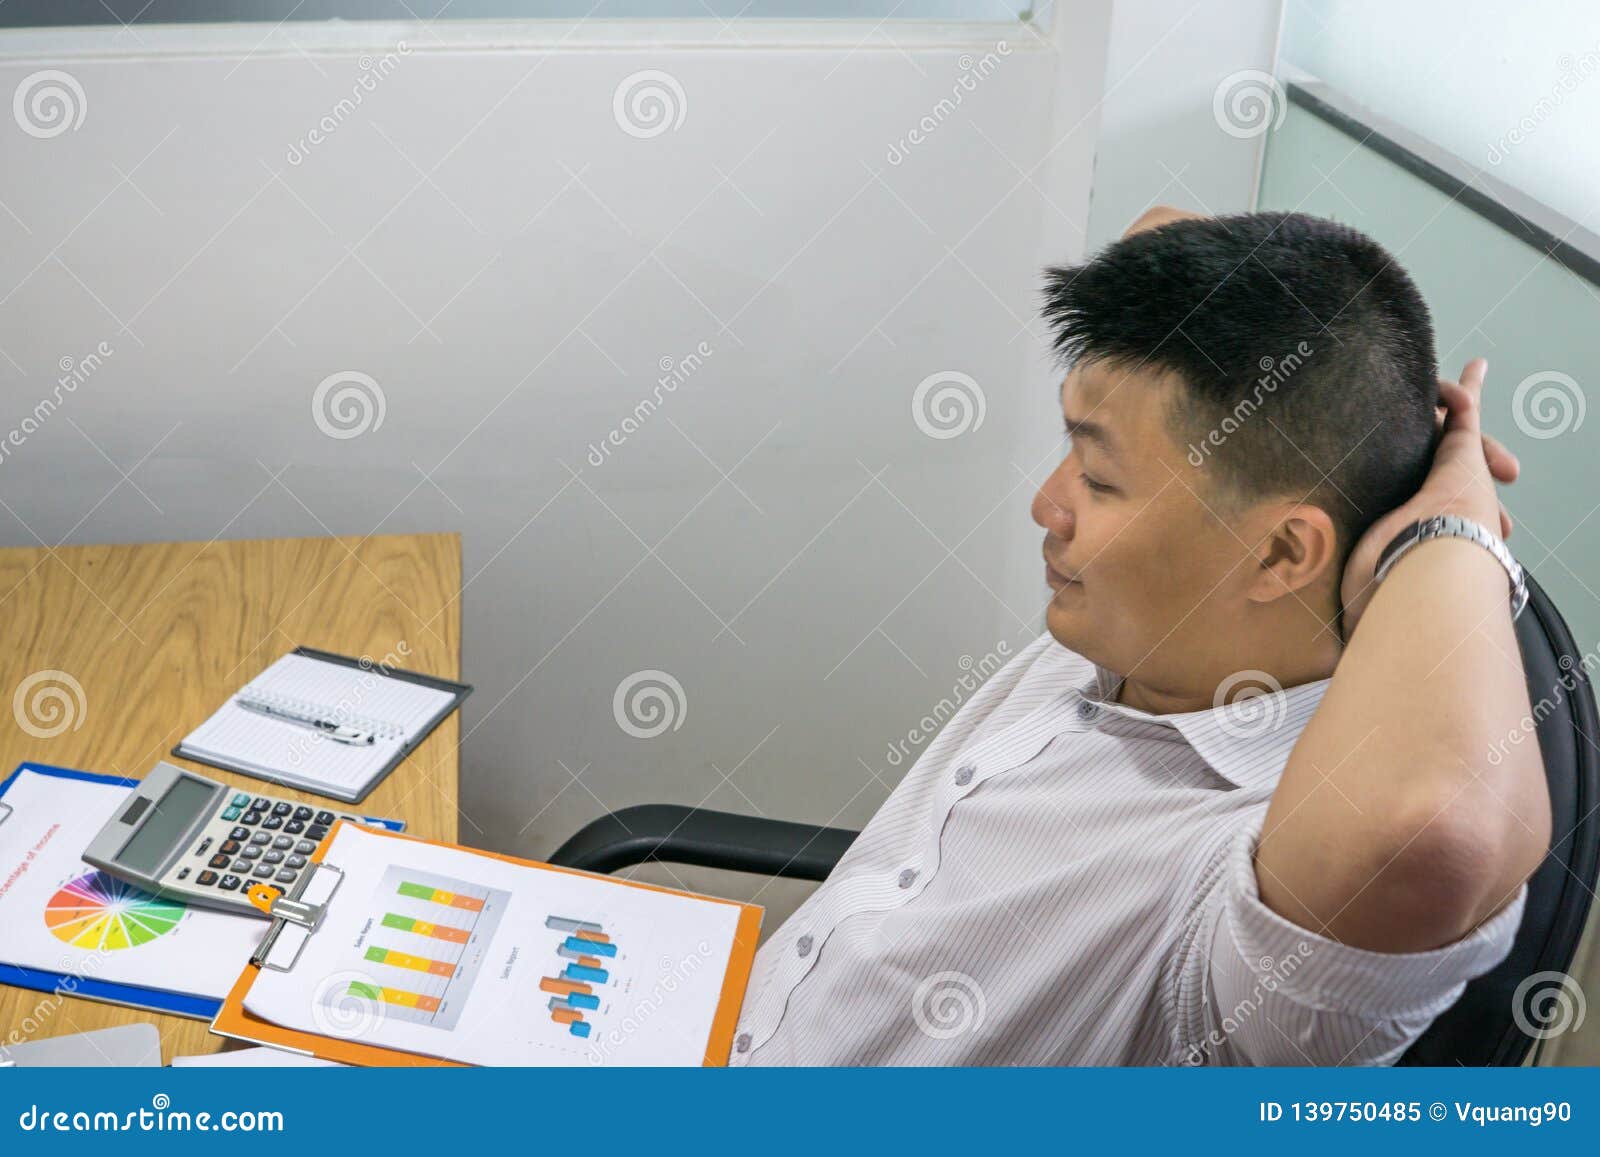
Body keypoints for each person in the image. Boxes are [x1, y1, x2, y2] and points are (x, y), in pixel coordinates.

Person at [728, 208, 1551, 1066]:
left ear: (1279, 551)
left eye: (1097, 476)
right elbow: (1168, 230)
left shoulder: (1258, 872)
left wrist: (1455, 521)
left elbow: (1439, 830)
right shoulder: (1146, 626)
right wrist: (1407, 431)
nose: (1048, 506)